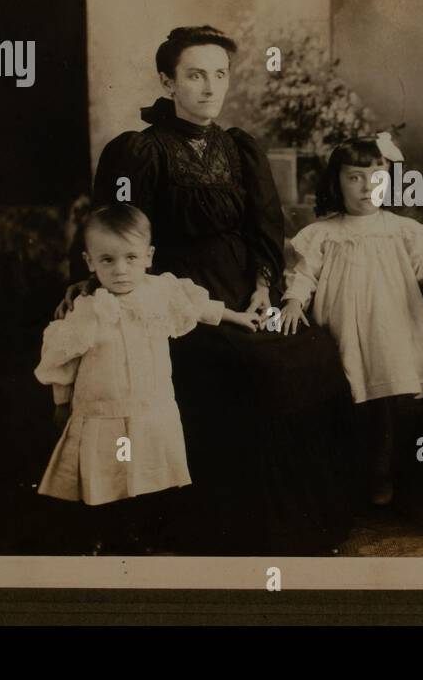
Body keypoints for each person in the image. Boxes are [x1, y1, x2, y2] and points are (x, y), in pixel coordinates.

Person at [61, 25, 356, 554]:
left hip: (246, 287)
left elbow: (265, 228)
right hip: (171, 295)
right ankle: (225, 525)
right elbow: (119, 232)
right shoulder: (139, 152)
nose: (209, 88)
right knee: (255, 370)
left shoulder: (241, 149)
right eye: (195, 75)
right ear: (168, 81)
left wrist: (265, 286)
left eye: (219, 75)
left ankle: (300, 522)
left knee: (310, 353)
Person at [35, 205, 259, 553]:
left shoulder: (160, 293)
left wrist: (236, 317)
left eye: (130, 257)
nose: (121, 270)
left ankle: (144, 535)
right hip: (102, 411)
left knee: (147, 472)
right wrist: (61, 403)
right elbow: (63, 360)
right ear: (90, 261)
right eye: (107, 260)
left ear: (148, 256)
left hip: (149, 408)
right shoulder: (88, 309)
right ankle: (102, 536)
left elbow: (198, 307)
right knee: (107, 474)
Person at [277, 135, 423, 505]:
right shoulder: (323, 233)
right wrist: (292, 302)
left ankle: (388, 473)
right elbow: (304, 275)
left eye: (377, 178)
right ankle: (351, 475)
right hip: (343, 326)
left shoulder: (401, 229)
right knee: (351, 397)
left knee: (389, 400)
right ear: (336, 181)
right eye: (355, 178)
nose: (368, 188)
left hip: (392, 326)